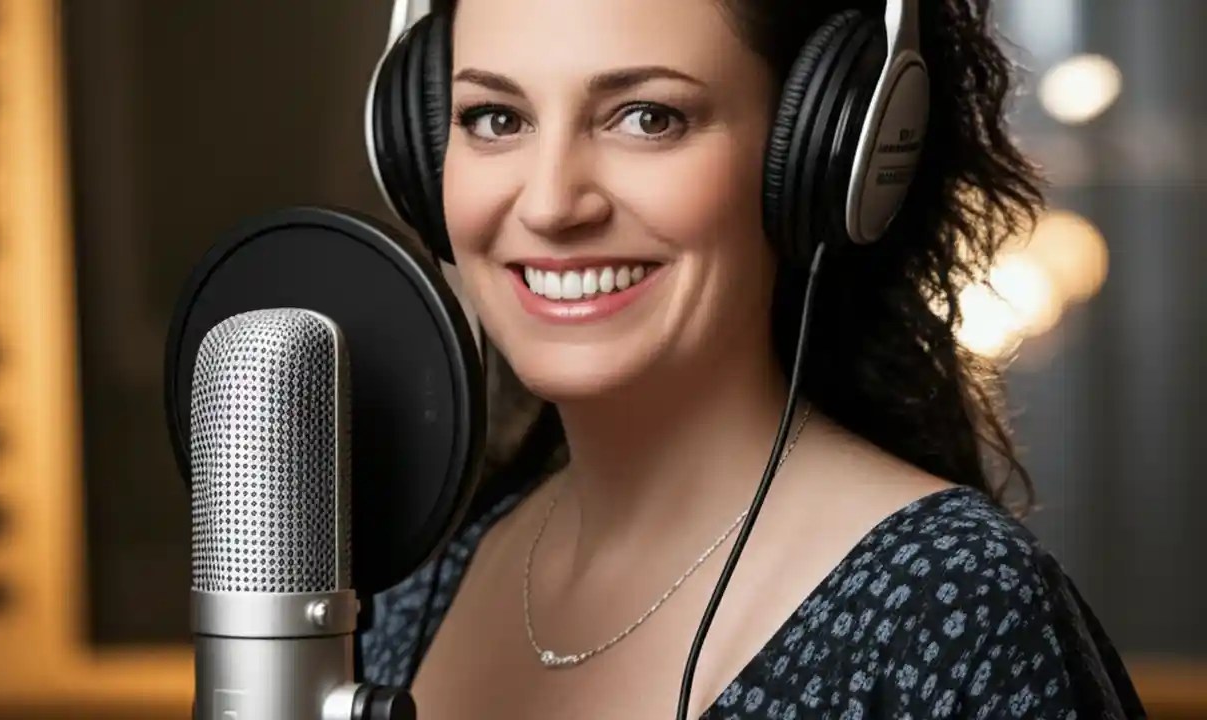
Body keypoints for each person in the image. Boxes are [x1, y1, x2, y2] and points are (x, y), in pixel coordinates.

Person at [359, 0, 1146, 717]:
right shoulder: (413, 589)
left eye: (648, 118)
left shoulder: (957, 605)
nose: (550, 204)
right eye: (495, 119)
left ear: (827, 154)